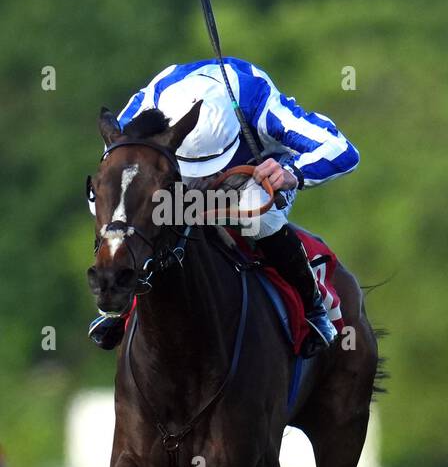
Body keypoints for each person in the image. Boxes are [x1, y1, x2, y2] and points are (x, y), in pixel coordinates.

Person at [89, 58, 359, 354]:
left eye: (208, 169)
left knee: (260, 215)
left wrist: (294, 173)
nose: (204, 181)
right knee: (130, 208)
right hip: (169, 173)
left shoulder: (258, 102)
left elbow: (342, 148)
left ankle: (313, 307)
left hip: (252, 171)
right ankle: (124, 302)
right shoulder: (150, 102)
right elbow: (115, 174)